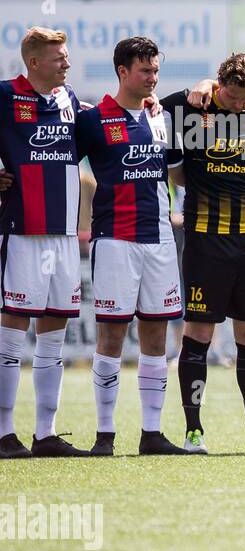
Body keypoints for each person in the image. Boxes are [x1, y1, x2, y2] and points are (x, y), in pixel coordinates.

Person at [160, 52, 245, 454]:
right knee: (198, 333)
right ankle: (193, 431)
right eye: (232, 97)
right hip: (203, 239)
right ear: (219, 85)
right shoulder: (188, 104)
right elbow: (150, 107)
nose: (238, 105)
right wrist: (200, 84)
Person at [76, 37, 187, 456]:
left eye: (156, 71)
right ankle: (105, 435)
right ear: (123, 71)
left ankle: (151, 433)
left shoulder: (163, 118)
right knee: (111, 337)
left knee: (156, 335)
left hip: (159, 240)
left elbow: (176, 176)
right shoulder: (94, 119)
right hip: (115, 240)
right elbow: (51, 157)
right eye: (145, 71)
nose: (152, 78)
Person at [0, 27, 92, 457]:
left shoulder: (69, 101)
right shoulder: (4, 96)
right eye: (59, 58)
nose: (67, 63)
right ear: (34, 62)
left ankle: (45, 433)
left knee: (54, 335)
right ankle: (3, 433)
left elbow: (108, 120)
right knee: (12, 335)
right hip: (21, 233)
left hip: (64, 237)